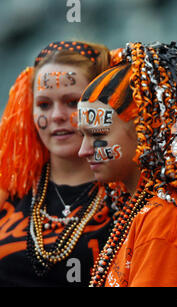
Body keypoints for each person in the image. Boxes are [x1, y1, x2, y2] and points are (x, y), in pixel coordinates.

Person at [77, 41, 177, 287]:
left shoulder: (165, 221)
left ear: (145, 132)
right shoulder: (144, 211)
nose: (83, 150)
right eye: (82, 135)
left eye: (97, 136)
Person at [0, 41, 119, 286]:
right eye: (44, 104)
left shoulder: (127, 198)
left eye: (72, 102)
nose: (56, 116)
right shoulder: (9, 189)